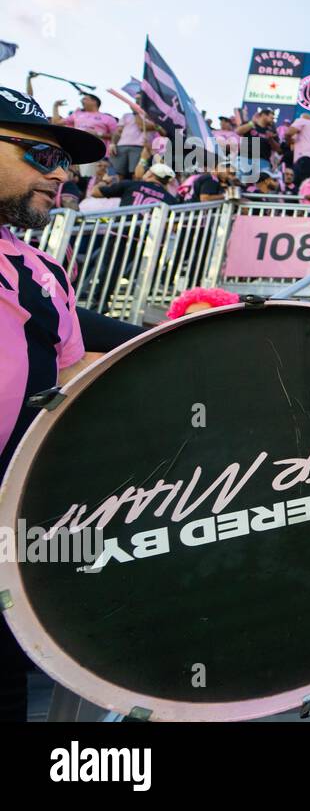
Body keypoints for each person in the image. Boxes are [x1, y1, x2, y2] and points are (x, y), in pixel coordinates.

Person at [0, 86, 107, 722]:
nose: (62, 174)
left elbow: (72, 376)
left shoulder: (44, 272)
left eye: (66, 161)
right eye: (41, 155)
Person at [92, 162, 178, 205]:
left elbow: (95, 192)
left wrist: (105, 181)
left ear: (150, 174)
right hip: (147, 238)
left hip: (120, 234)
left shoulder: (131, 185)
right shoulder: (171, 200)